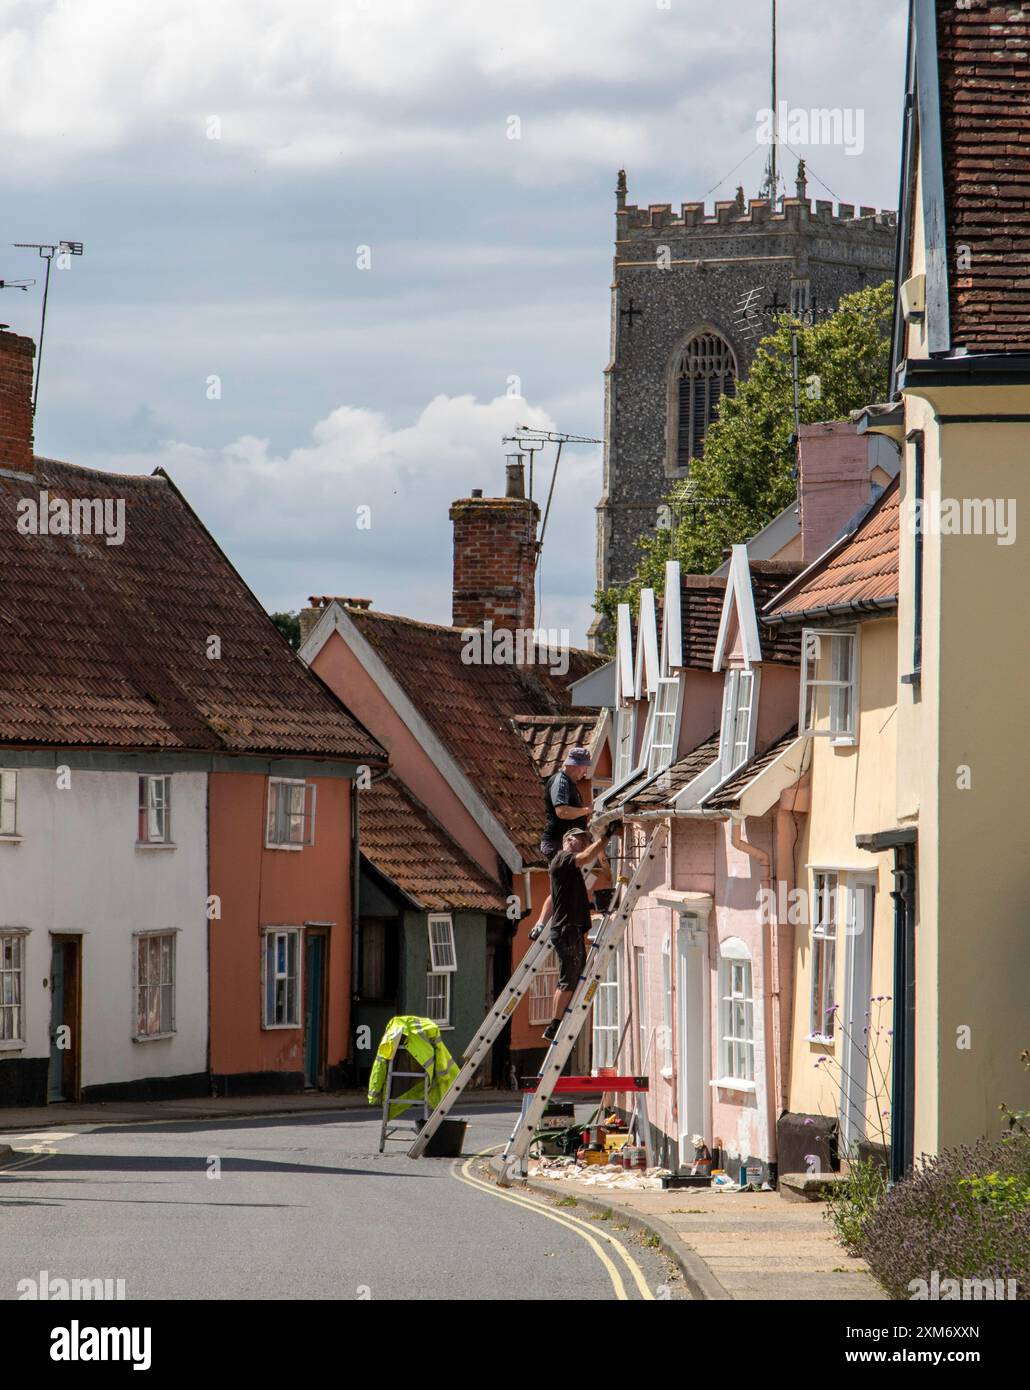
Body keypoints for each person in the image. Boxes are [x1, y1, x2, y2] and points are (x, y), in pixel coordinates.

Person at [541, 822, 622, 1043]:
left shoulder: (571, 870)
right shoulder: (562, 859)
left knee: (574, 975)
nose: (585, 843)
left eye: (587, 840)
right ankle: (555, 1024)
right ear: (568, 841)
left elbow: (569, 899)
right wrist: (605, 837)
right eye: (581, 840)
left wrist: (594, 907)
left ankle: (558, 1021)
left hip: (571, 929)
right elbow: (586, 857)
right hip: (566, 930)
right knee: (569, 978)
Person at [540, 746, 592, 861]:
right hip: (557, 844)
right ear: (575, 766)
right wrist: (588, 810)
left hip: (565, 844)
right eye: (585, 767)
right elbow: (562, 812)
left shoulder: (569, 783)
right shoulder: (561, 782)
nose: (585, 772)